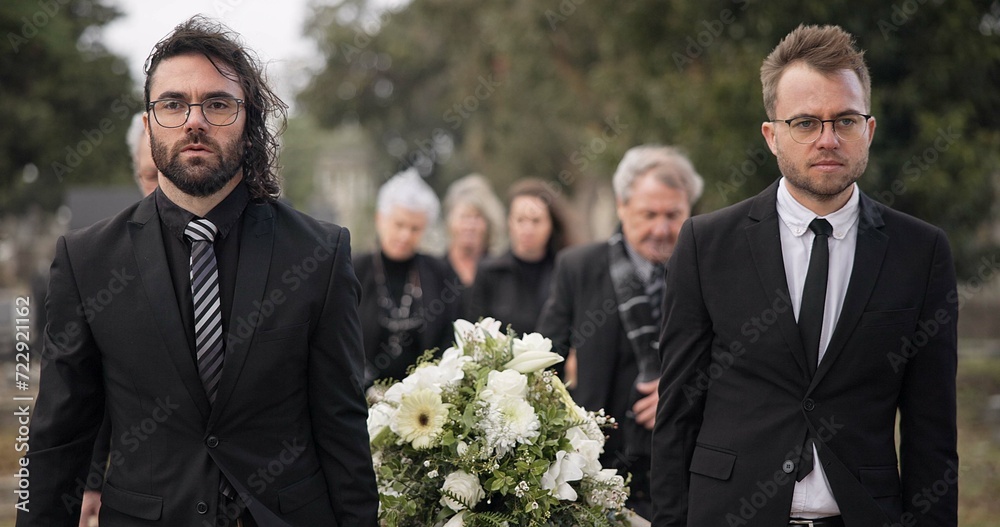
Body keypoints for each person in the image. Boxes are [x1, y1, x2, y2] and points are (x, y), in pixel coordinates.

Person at [19, 16, 377, 526]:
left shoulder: (320, 253)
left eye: (217, 103)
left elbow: (342, 425)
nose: (194, 120)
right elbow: (58, 439)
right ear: (149, 124)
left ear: (248, 119)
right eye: (173, 103)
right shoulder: (88, 261)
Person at [651, 24, 958, 527]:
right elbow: (677, 413)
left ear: (869, 130)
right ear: (772, 136)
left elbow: (933, 434)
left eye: (845, 121)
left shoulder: (921, 253)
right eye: (805, 123)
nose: (828, 139)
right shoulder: (707, 244)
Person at [537, 145, 703, 519]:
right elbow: (546, 364)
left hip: (683, 471)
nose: (661, 228)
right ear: (621, 206)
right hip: (593, 471)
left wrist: (681, 392)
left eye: (673, 214)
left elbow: (734, 357)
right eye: (648, 214)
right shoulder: (578, 268)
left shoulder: (706, 270)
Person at [78, 112, 161, 527]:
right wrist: (90, 483)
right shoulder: (105, 264)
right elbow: (92, 390)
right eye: (150, 175)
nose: (164, 188)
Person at [356, 168, 461, 387]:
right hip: (361, 393)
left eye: (415, 228)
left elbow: (449, 336)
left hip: (425, 396)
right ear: (380, 219)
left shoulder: (440, 273)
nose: (405, 235)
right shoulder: (354, 270)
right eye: (399, 224)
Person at [466, 178, 576, 334]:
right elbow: (475, 333)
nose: (528, 229)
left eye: (536, 221)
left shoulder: (566, 271)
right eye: (520, 220)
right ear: (510, 222)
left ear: (552, 224)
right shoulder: (490, 272)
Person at [440, 173, 506, 288]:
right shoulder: (434, 270)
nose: (470, 226)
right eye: (464, 217)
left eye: (477, 217)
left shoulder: (501, 271)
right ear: (450, 222)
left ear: (489, 224)